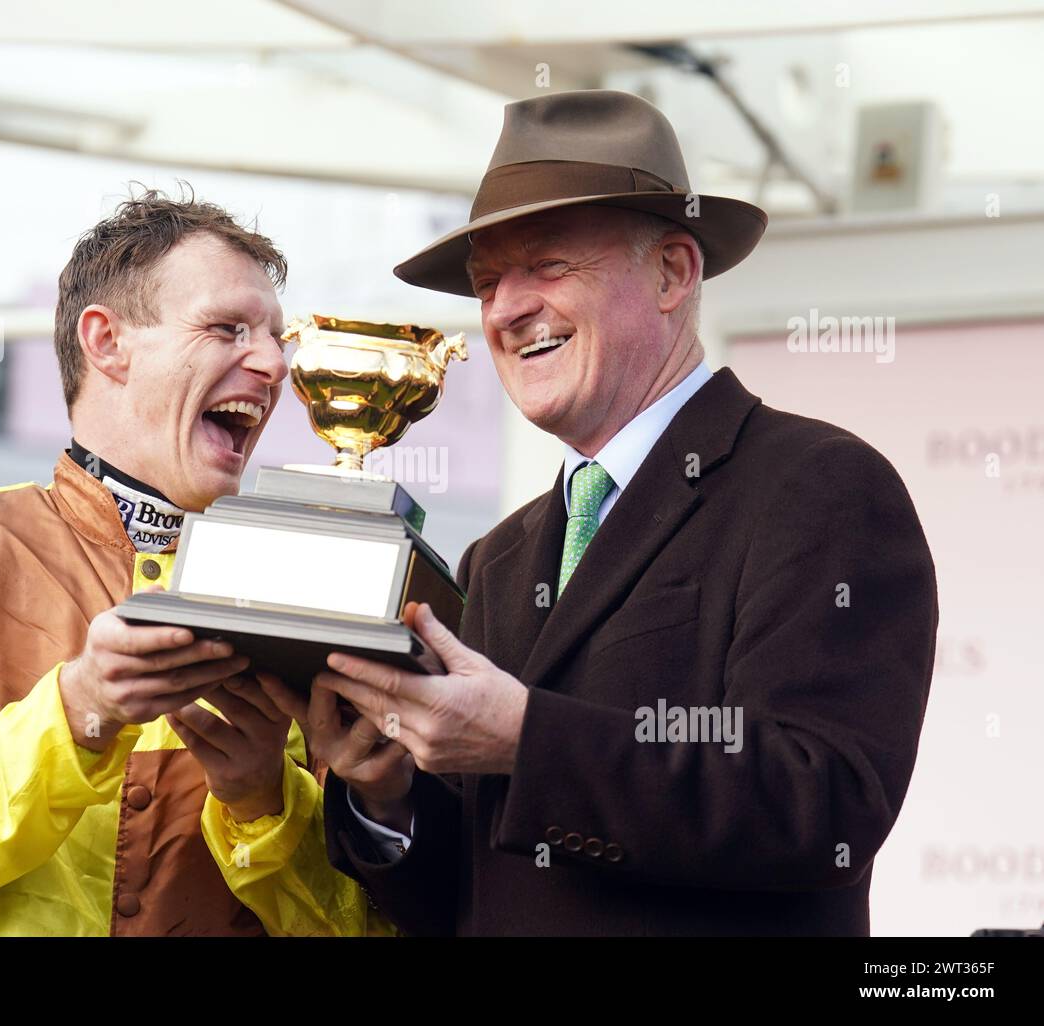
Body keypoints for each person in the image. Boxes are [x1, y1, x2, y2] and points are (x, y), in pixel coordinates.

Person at [258, 90, 938, 936]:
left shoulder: (821, 487)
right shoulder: (497, 559)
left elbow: (824, 798)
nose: (505, 309)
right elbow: (465, 901)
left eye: (546, 265)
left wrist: (526, 739)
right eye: (486, 283)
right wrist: (384, 795)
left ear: (673, 273)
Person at [0, 187, 389, 936]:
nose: (274, 364)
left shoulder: (317, 589)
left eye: (276, 339)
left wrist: (263, 802)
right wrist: (77, 709)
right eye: (228, 328)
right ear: (107, 342)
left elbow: (374, 927)